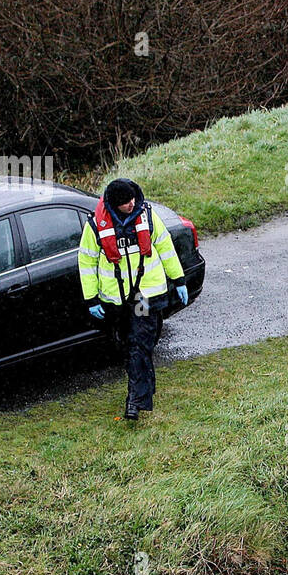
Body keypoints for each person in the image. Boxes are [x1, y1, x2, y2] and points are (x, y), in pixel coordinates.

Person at [78, 178, 188, 421]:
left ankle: (135, 401)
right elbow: (86, 262)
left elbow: (165, 247)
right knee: (128, 345)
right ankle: (142, 386)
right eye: (126, 202)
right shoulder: (96, 225)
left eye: (133, 199)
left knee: (139, 343)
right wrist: (91, 298)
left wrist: (178, 279)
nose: (132, 204)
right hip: (115, 297)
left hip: (143, 293)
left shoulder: (147, 216)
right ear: (115, 204)